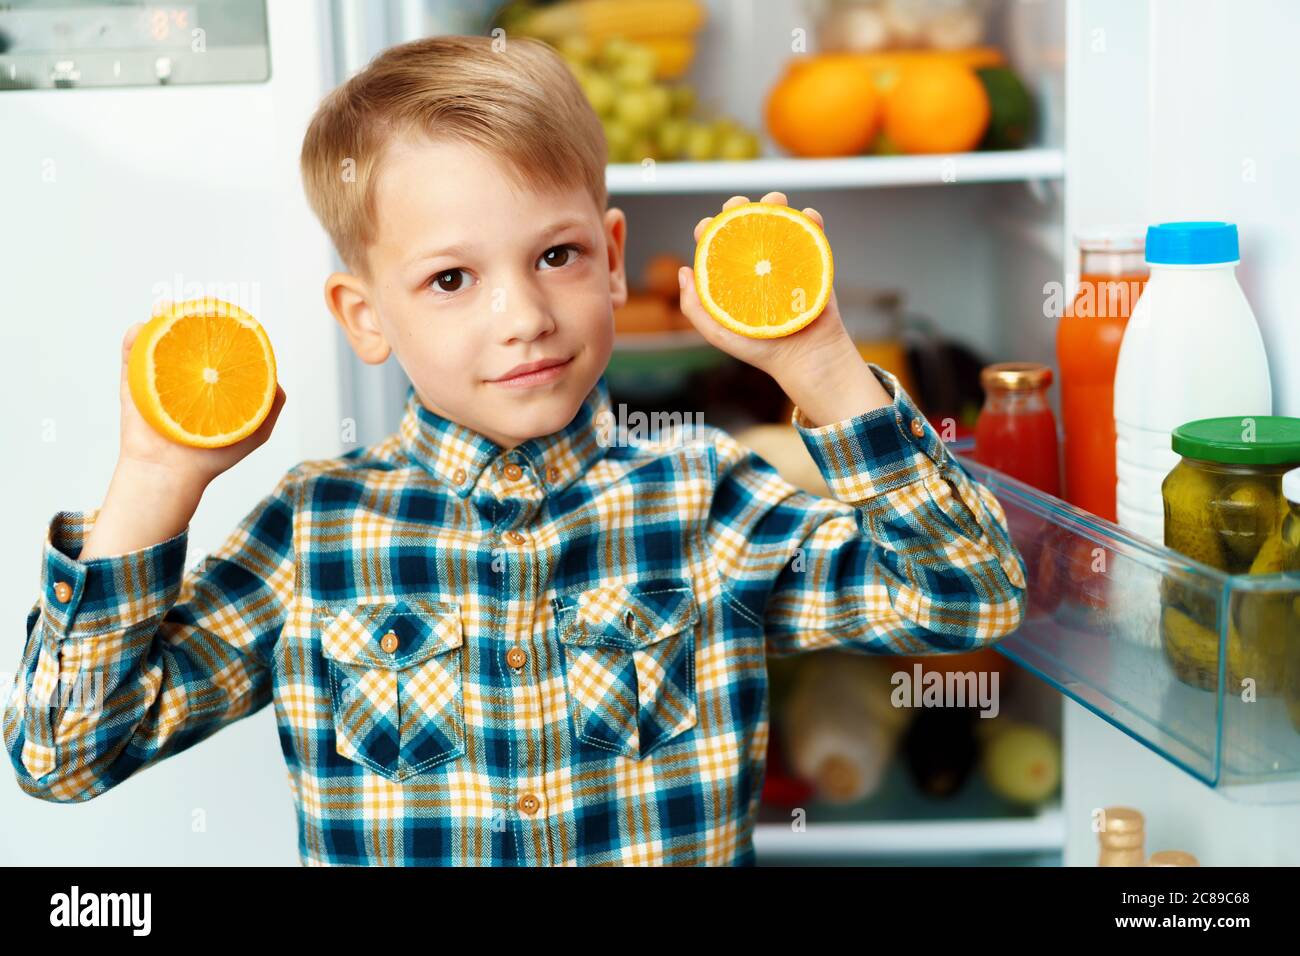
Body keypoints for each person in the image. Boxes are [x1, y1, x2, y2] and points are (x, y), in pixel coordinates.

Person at [4, 35, 1027, 866]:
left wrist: (819, 361)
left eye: (556, 254)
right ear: (364, 316)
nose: (524, 315)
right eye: (452, 278)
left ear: (614, 259)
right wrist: (154, 479)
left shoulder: (707, 499)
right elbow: (63, 753)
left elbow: (969, 596)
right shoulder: (312, 532)